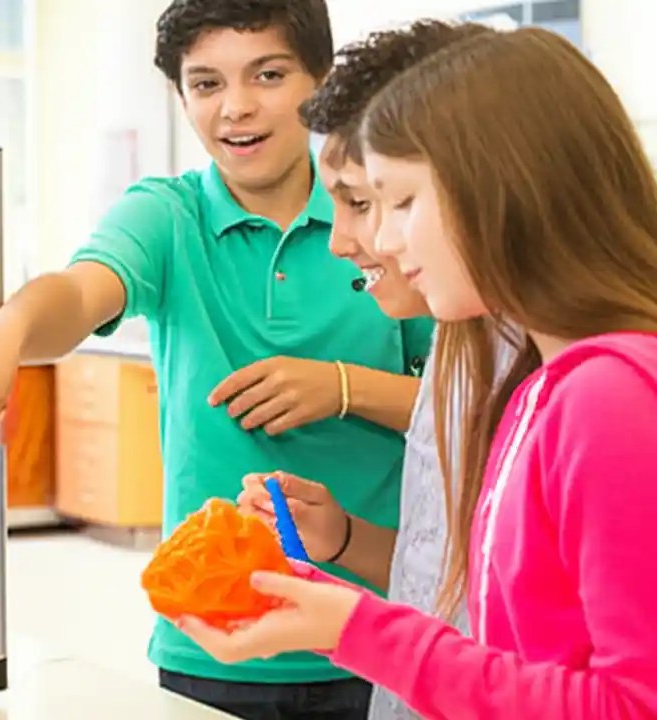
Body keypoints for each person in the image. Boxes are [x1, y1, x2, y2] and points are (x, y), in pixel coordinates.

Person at [0, 1, 431, 717]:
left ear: (319, 80)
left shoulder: (377, 217)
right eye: (206, 84)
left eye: (268, 74)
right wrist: (6, 333)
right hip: (213, 636)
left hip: (376, 628)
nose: (237, 108)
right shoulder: (167, 215)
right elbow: (77, 295)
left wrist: (344, 387)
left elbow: (467, 411)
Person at [175, 26, 657, 718]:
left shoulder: (606, 397)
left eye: (398, 202)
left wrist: (354, 629)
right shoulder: (544, 390)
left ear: (500, 189)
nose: (383, 241)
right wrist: (338, 597)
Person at [229, 19, 502, 719]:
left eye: (373, 201)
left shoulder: (565, 387)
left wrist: (347, 627)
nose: (353, 240)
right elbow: (449, 583)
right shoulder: (456, 346)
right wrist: (346, 539)